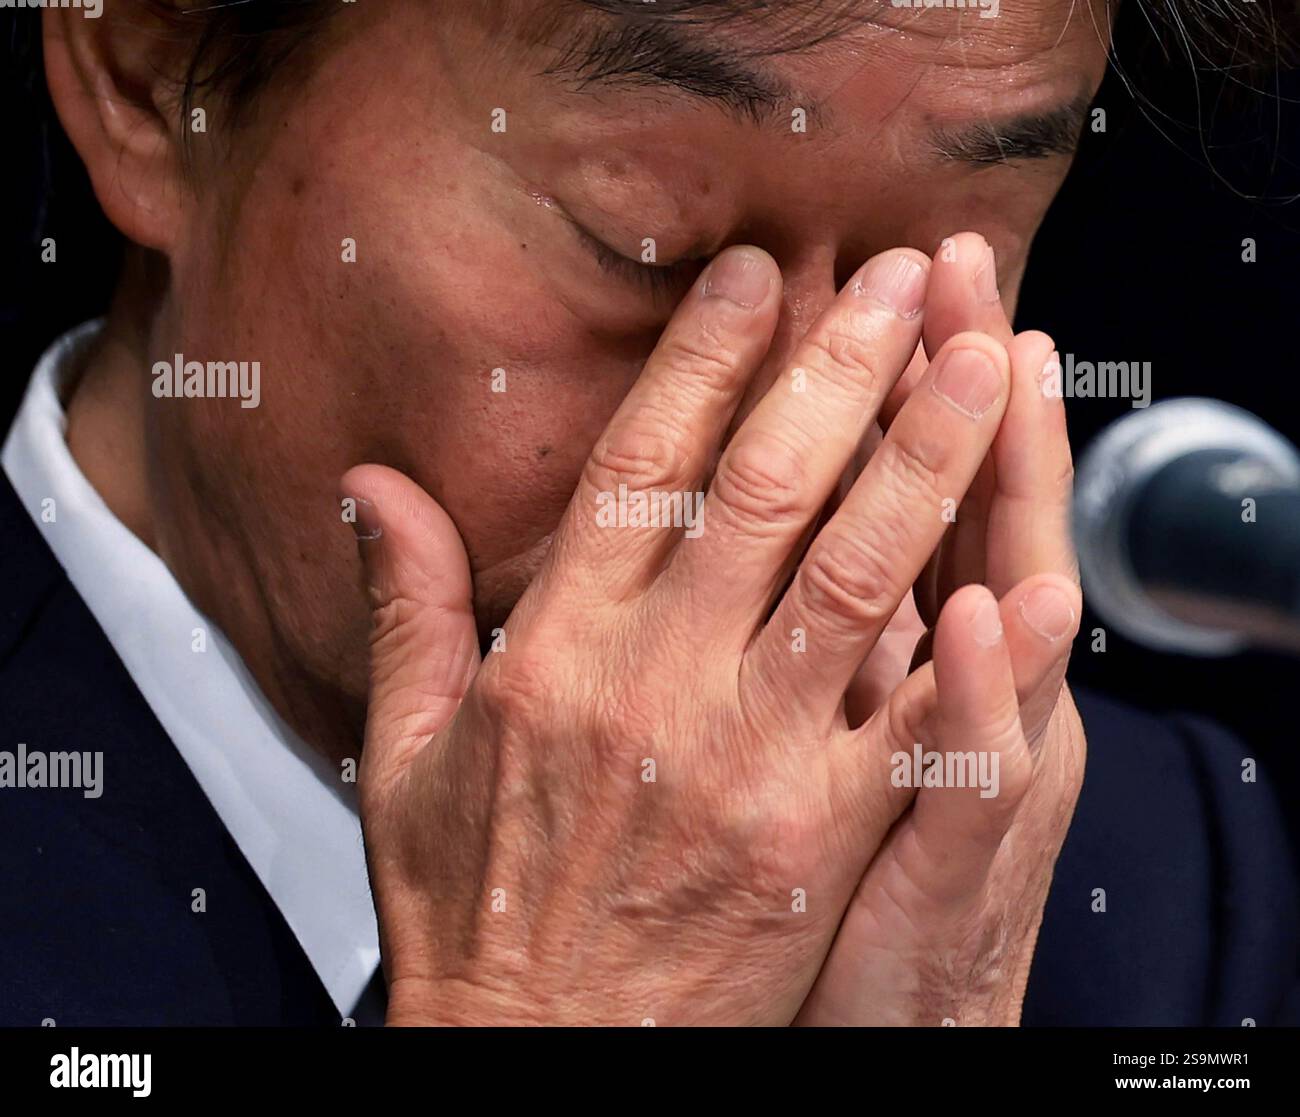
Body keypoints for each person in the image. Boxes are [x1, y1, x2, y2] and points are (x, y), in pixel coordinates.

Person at [2, 0, 1296, 1026]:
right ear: (152, 74)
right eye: (648, 248)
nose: (793, 451)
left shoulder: (1158, 904)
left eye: (939, 271)